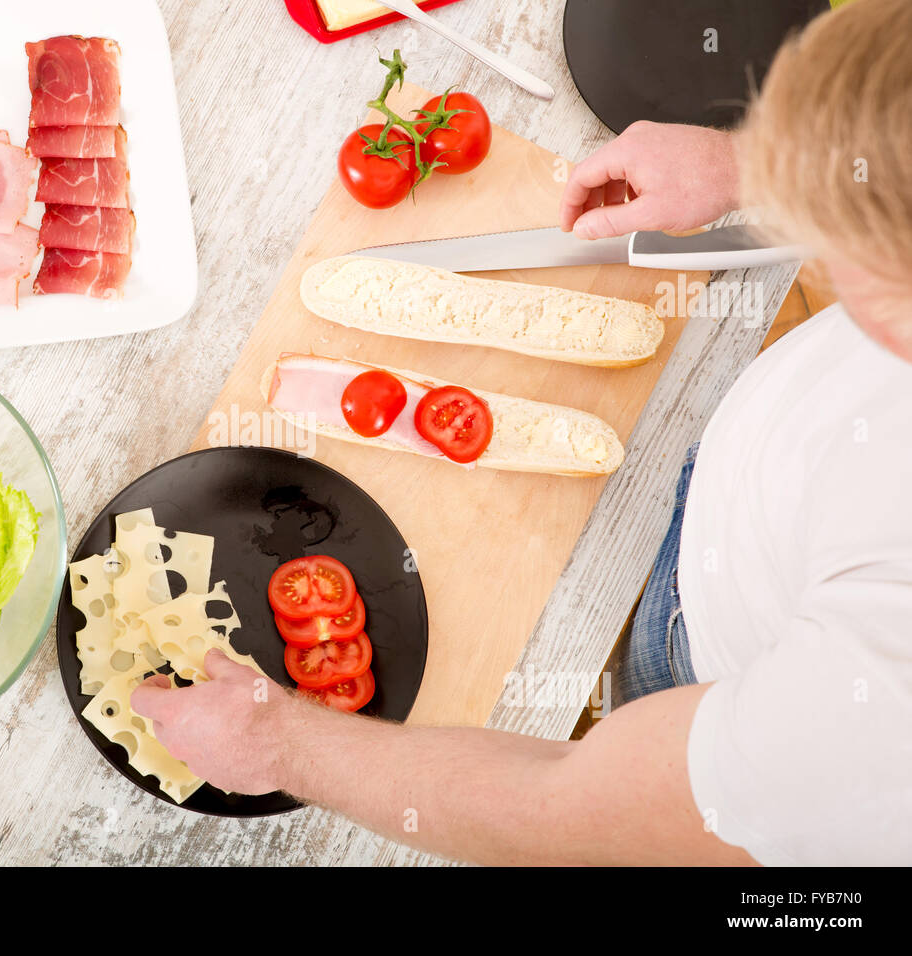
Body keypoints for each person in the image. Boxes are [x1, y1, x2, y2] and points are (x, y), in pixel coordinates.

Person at [131, 0, 912, 865]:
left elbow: (579, 815)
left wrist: (280, 747)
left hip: (708, 657)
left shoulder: (875, 697)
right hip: (753, 501)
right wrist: (755, 166)